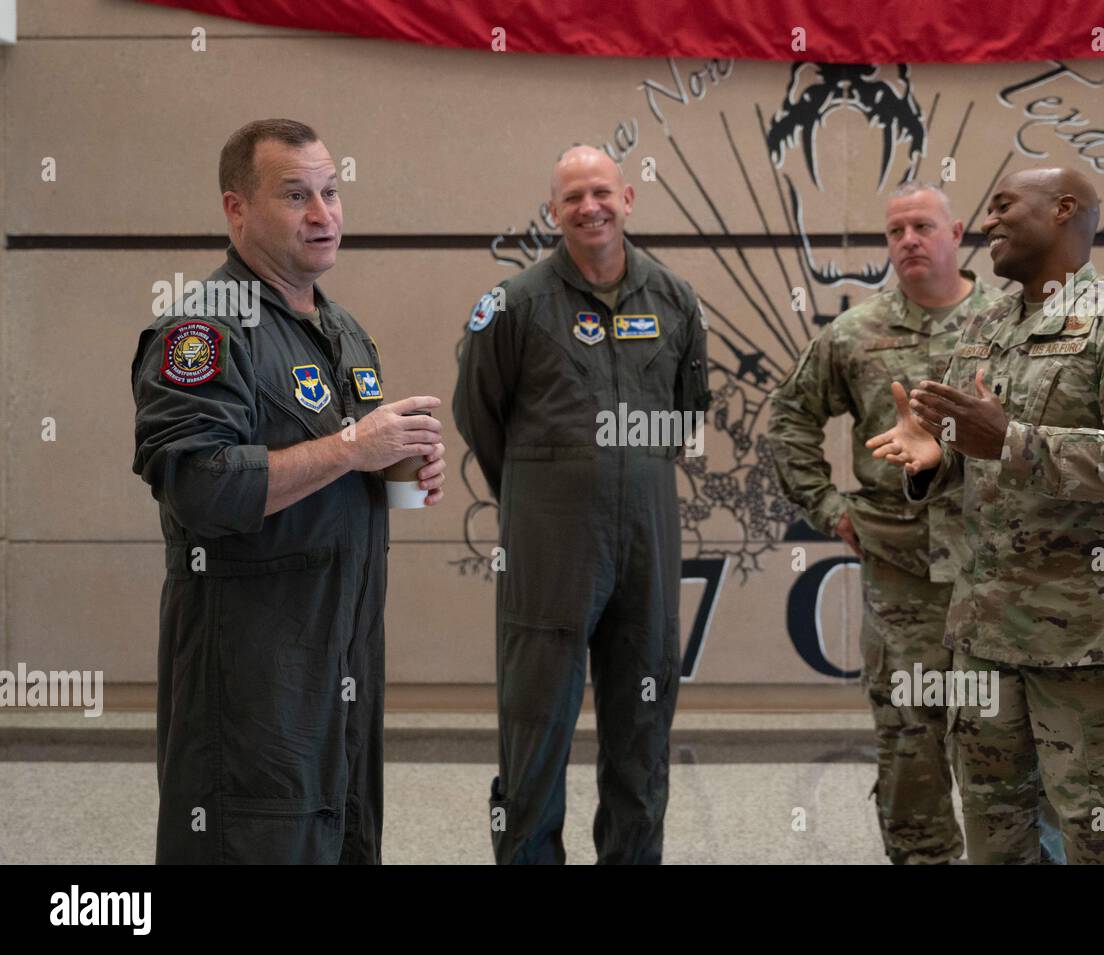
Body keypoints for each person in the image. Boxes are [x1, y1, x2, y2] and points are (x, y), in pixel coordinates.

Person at [131, 119, 446, 864]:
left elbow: (349, 467)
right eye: (297, 195)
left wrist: (400, 473)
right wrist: (351, 448)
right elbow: (199, 487)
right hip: (252, 684)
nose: (324, 214)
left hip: (344, 668)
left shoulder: (343, 330)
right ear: (236, 209)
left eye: (332, 193)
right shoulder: (200, 331)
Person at [868, 167, 1104, 864]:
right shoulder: (984, 324)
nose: (989, 223)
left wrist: (1011, 440)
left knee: (1102, 844)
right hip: (986, 638)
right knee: (999, 845)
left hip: (1090, 648)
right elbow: (973, 451)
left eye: (1004, 206)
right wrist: (937, 459)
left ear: (1064, 210)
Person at [454, 145, 710, 864]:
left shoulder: (675, 299)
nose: (589, 207)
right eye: (572, 197)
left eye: (601, 192)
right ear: (554, 211)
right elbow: (478, 413)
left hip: (647, 543)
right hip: (550, 544)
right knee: (534, 733)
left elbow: (688, 414)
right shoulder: (512, 304)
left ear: (628, 197)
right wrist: (548, 485)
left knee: (643, 733)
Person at [768, 182, 1003, 864]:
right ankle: (923, 856)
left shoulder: (1009, 324)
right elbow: (789, 420)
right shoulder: (855, 334)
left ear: (957, 233)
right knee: (909, 730)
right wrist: (830, 509)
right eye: (896, 230)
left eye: (923, 226)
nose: (908, 240)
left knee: (1004, 727)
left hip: (1001, 567)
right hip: (902, 567)